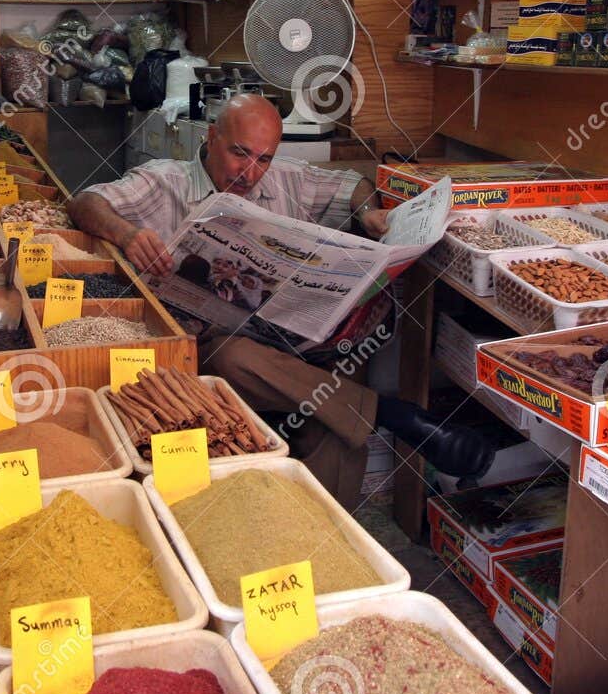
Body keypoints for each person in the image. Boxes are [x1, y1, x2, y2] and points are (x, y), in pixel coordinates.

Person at [68, 94, 494, 508]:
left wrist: (366, 213)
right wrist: (126, 235)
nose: (250, 172)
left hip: (287, 350)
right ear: (210, 137)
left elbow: (351, 185)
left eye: (263, 158)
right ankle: (391, 414)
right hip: (204, 356)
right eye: (239, 153)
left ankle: (323, 539)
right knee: (235, 355)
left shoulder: (285, 177)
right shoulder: (165, 181)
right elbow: (84, 202)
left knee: (335, 429)